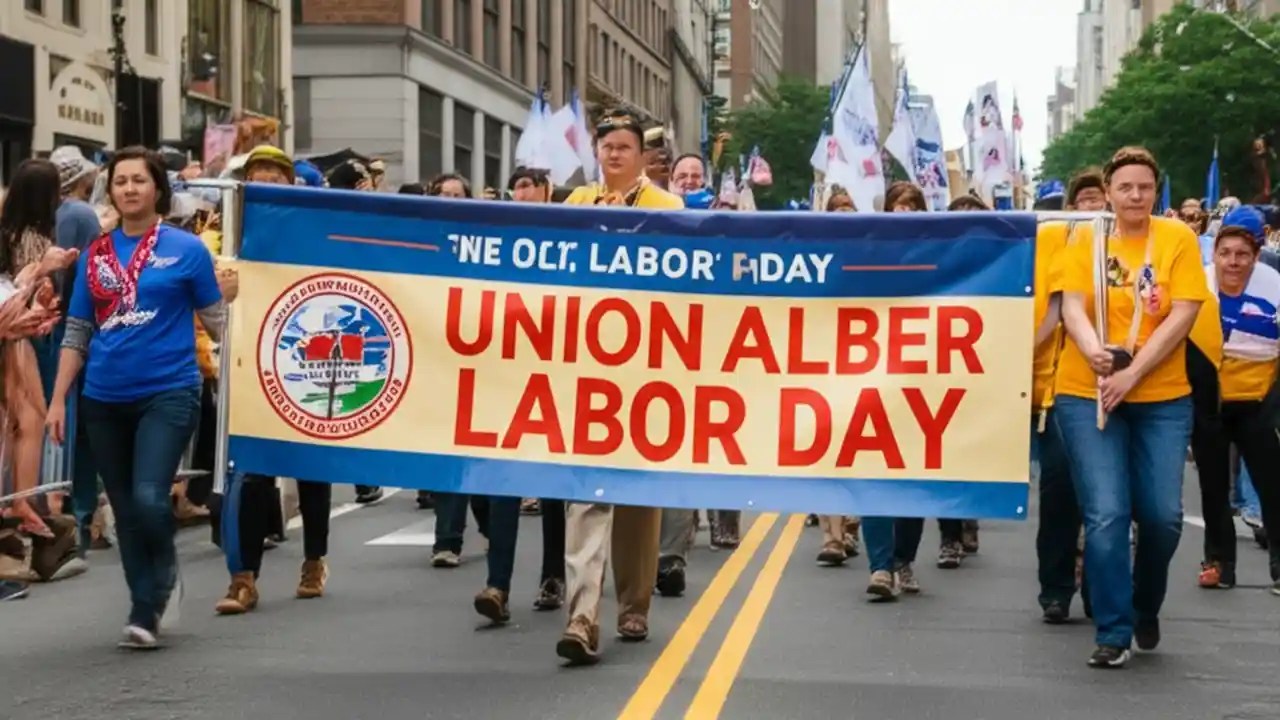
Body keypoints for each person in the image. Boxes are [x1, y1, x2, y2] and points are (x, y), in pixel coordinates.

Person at [46, 147, 238, 650]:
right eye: (121, 181)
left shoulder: (186, 249)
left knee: (152, 497)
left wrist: (241, 366)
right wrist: (57, 400)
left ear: (157, 189)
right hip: (104, 396)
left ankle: (155, 587)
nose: (130, 189)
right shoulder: (96, 256)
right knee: (127, 510)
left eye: (140, 180)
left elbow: (218, 319)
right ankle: (144, 607)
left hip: (169, 391)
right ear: (110, 191)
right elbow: (77, 330)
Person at [1054, 146, 1208, 668]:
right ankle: (1113, 629)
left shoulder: (1178, 239)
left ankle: (1145, 604)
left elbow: (1182, 313)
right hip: (1087, 391)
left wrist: (1132, 373)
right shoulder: (1087, 239)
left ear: (1155, 190)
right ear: (1111, 192)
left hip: (1160, 396)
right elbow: (1071, 305)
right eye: (1125, 187)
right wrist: (1093, 350)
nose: (1135, 196)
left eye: (1144, 187)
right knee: (1107, 514)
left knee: (1163, 517)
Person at [556, 108, 682, 665]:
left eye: (624, 146)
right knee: (586, 494)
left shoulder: (668, 210)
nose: (613, 154)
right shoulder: (575, 206)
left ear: (642, 157)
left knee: (636, 498)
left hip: (646, 371)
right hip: (588, 369)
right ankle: (582, 614)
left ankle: (635, 599)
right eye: (605, 145)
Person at [214, 146, 331, 616]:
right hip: (249, 365)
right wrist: (222, 292)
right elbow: (208, 300)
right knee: (250, 470)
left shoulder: (314, 232)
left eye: (273, 178)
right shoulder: (228, 233)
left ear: (289, 184)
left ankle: (315, 559)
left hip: (306, 362)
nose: (262, 185)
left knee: (311, 467)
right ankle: (243, 578)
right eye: (254, 178)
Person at [1191, 206, 1280, 593]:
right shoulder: (1197, 286)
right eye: (1225, 253)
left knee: (1272, 483)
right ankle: (1219, 562)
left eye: (1242, 255)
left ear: (1256, 256)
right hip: (1209, 401)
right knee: (1213, 487)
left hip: (1259, 401)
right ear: (1215, 254)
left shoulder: (1274, 287)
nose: (1233, 262)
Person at [1032, 168, 1106, 624]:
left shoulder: (1138, 251)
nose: (1095, 207)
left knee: (1106, 503)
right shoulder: (1058, 247)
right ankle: (1056, 590)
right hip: (1064, 391)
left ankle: (1102, 590)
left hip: (1123, 390)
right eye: (1086, 200)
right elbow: (1053, 312)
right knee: (1060, 492)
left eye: (1101, 198)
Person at [0, 159, 63, 540]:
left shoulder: (5, 231)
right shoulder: (37, 239)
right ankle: (21, 500)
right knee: (30, 419)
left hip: (11, 330)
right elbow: (31, 292)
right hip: (16, 336)